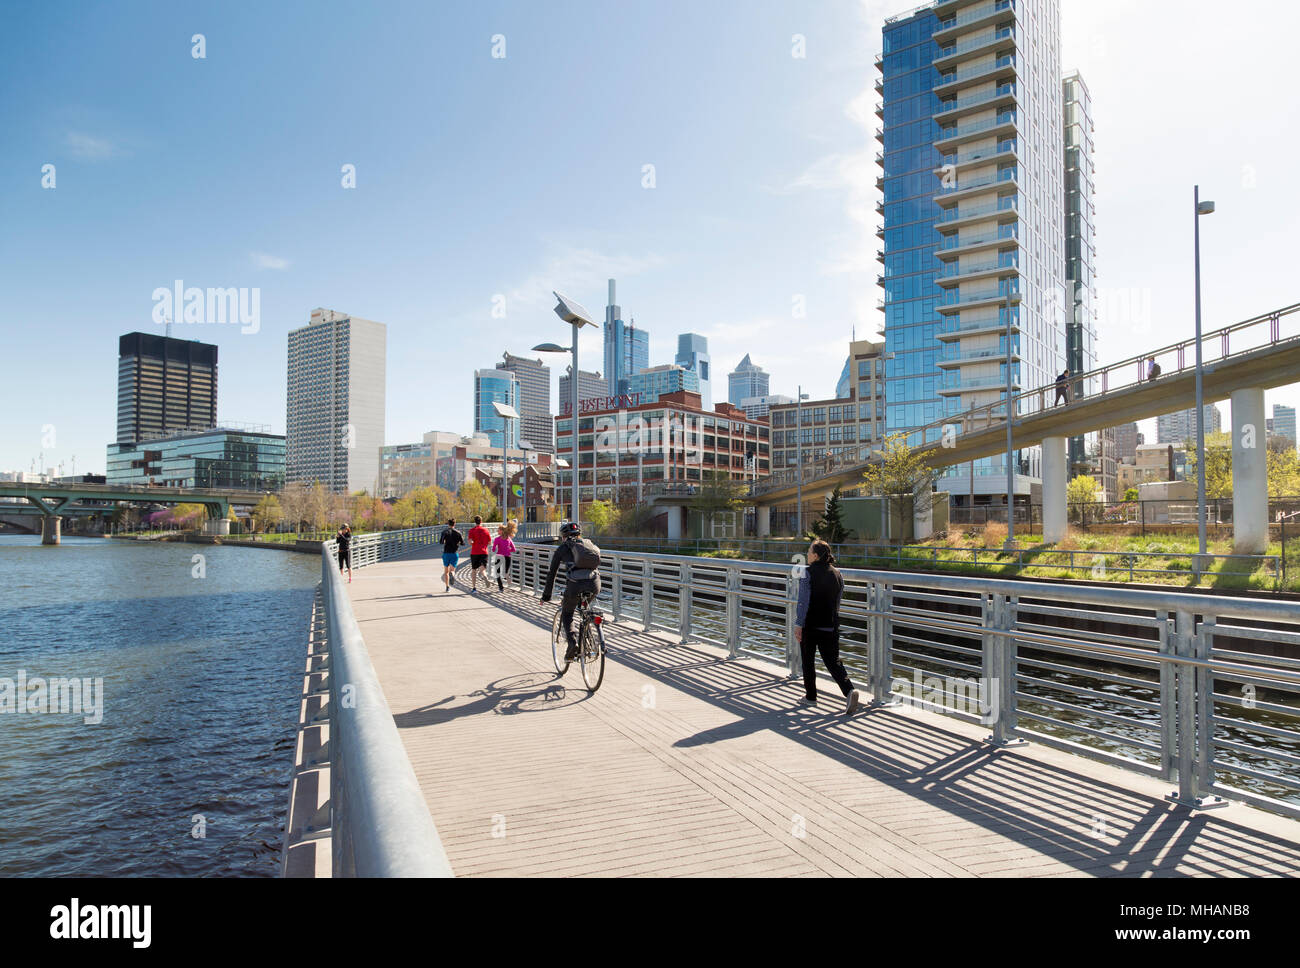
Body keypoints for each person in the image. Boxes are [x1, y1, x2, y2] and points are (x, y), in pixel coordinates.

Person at [794, 540, 860, 715]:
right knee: (833, 661)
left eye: (809, 551)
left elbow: (803, 602)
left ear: (815, 555)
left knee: (808, 660)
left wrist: (799, 624)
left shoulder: (807, 573)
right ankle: (849, 691)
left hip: (810, 624)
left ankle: (811, 697)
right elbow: (837, 603)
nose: (807, 554)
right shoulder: (838, 574)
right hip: (830, 624)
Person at [540, 522, 601, 661]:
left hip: (575, 585)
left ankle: (572, 643)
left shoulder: (562, 548)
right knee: (584, 608)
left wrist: (546, 596)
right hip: (594, 584)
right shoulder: (588, 544)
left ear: (564, 536)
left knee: (567, 613)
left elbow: (552, 573)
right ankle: (589, 637)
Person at [467, 515, 492, 594]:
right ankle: (485, 576)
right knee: (482, 568)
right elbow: (489, 542)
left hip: (475, 552)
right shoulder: (486, 530)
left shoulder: (472, 530)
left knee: (474, 570)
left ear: (475, 522)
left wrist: (473, 543)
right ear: (481, 521)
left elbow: (470, 542)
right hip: (484, 552)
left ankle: (474, 588)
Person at [439, 519, 464, 593]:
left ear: (448, 524)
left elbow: (441, 542)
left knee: (446, 571)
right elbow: (463, 543)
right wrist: (458, 543)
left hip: (446, 553)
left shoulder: (444, 532)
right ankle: (452, 574)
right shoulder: (458, 533)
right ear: (454, 524)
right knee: (452, 570)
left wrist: (445, 541)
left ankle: (447, 587)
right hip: (454, 553)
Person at [492, 524, 516, 592]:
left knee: (497, 573)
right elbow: (514, 549)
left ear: (502, 531)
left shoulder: (497, 539)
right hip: (507, 557)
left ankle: (501, 588)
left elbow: (493, 550)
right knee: (506, 574)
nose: (497, 531)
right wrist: (508, 550)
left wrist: (494, 547)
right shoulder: (509, 539)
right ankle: (511, 586)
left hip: (499, 557)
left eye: (498, 530)